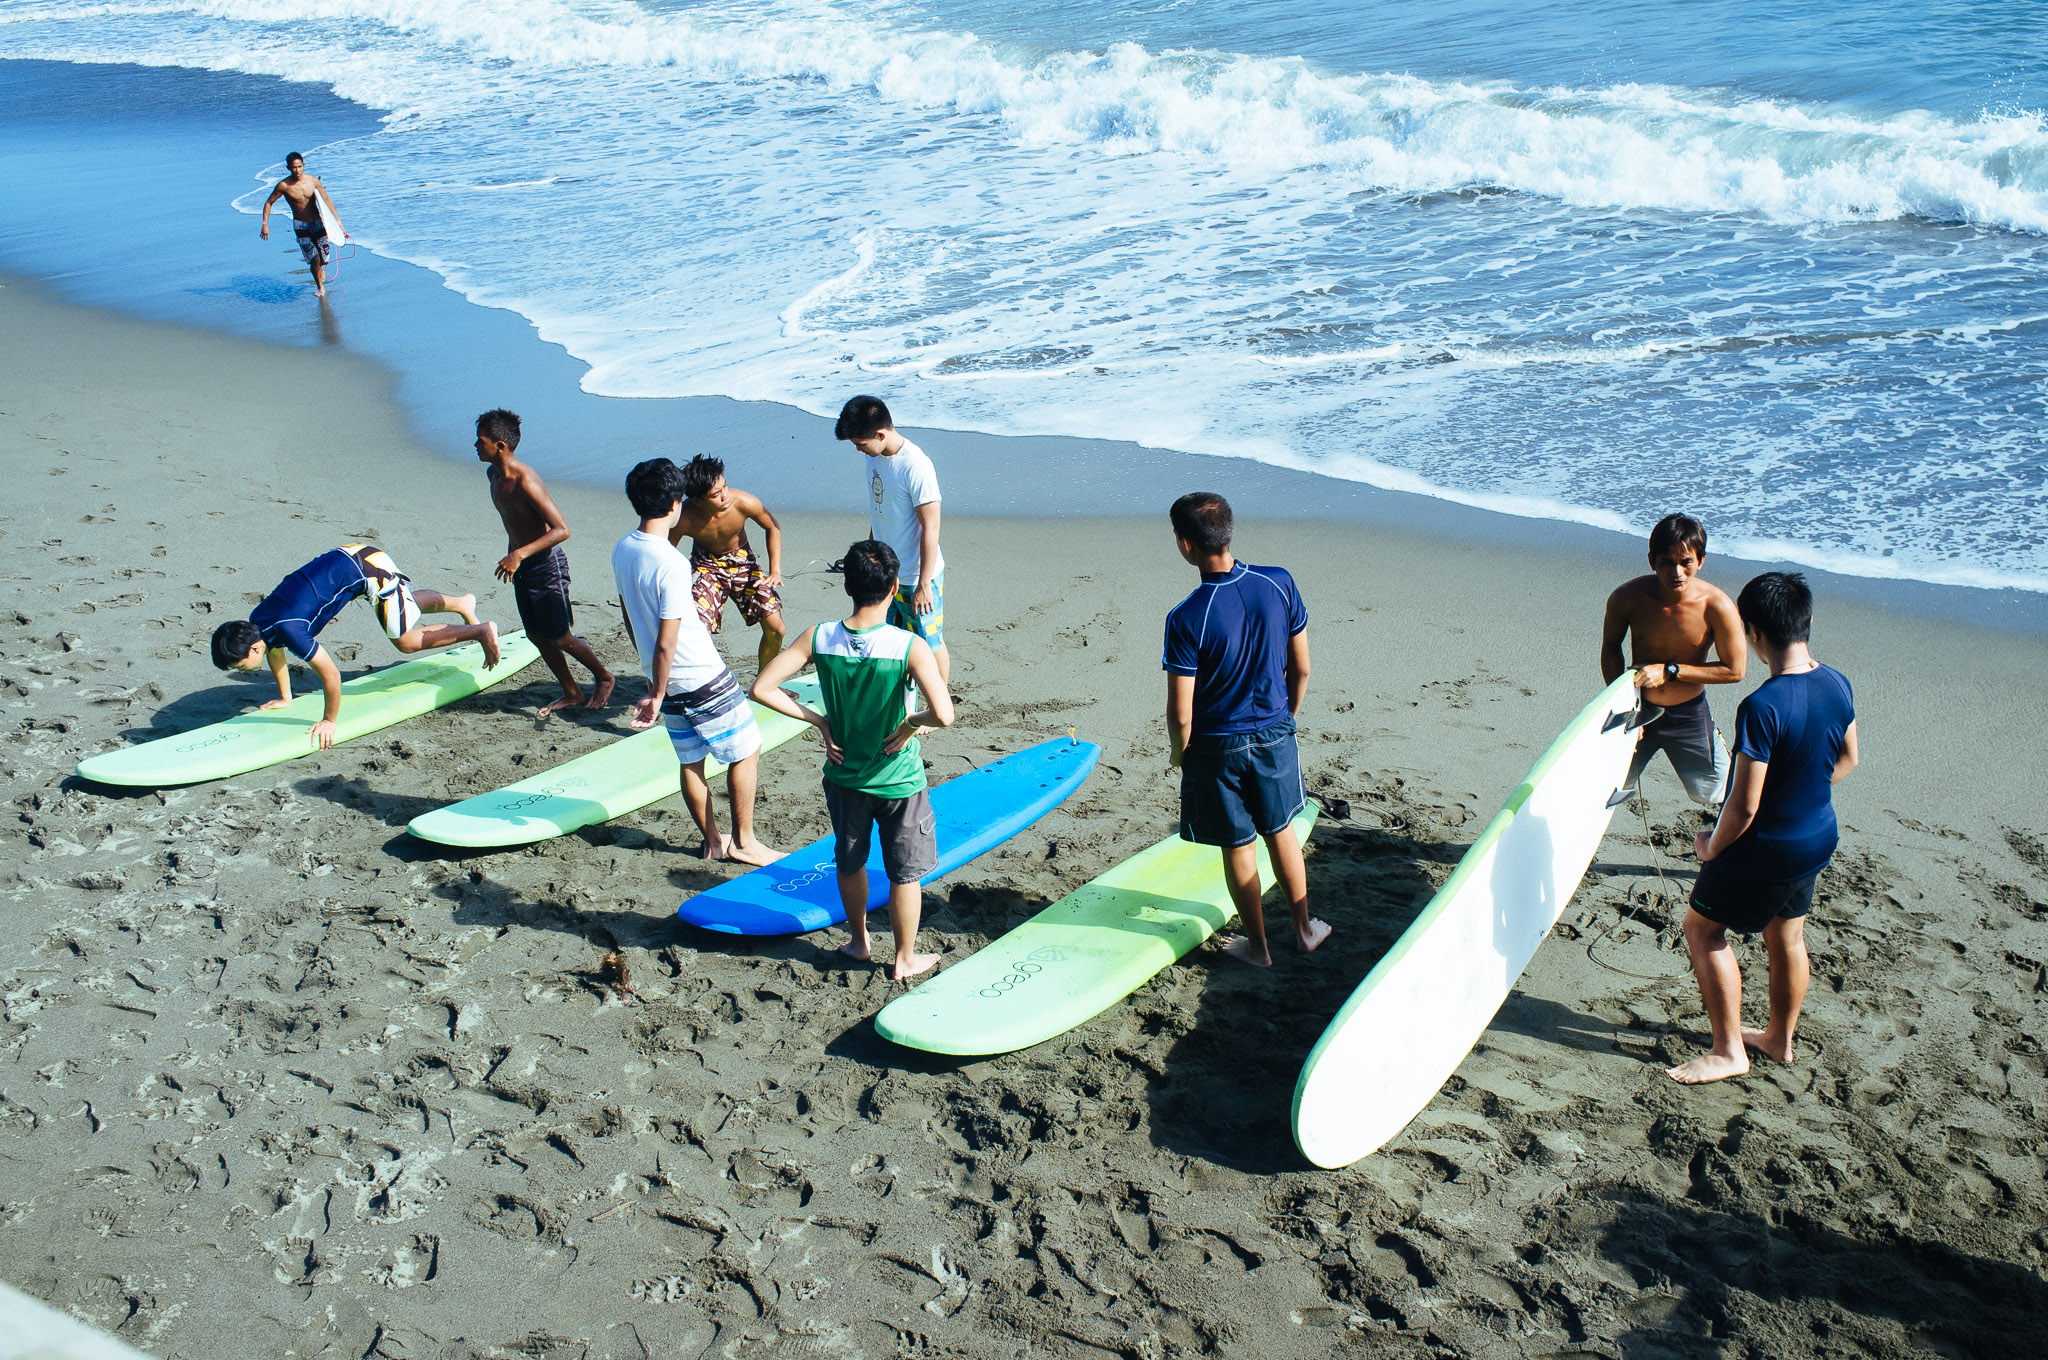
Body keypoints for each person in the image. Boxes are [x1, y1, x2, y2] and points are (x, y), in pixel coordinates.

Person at [1669, 571, 1857, 1085]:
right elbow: (1847, 758)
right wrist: (1799, 797)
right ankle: (1779, 1040)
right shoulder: (1837, 682)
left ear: (1752, 631)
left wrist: (1711, 846)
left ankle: (1730, 1051)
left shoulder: (1762, 707)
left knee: (1702, 929)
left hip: (1765, 849)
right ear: (1807, 621)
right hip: (1817, 837)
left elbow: (1744, 805)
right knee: (1787, 936)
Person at [751, 539, 955, 981]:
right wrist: (908, 725)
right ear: (895, 586)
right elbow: (944, 714)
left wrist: (820, 723)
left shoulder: (819, 637)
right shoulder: (909, 646)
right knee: (905, 874)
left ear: (846, 586)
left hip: (844, 777)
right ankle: (904, 958)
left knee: (850, 861)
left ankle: (860, 942)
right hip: (899, 780)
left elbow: (762, 688)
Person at [1162, 492, 1329, 967]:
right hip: (1276, 729)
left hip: (1217, 746)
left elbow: (1180, 713)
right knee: (1281, 831)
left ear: (1185, 544)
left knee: (1237, 844)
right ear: (1229, 532)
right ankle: (1303, 930)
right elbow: (1302, 668)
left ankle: (1258, 948)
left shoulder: (1186, 616)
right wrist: (1288, 717)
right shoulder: (1278, 583)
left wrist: (1180, 752)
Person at [611, 458, 779, 865]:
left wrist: (653, 682)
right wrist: (657, 689)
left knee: (691, 760)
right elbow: (669, 640)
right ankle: (744, 842)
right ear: (675, 504)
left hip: (664, 678)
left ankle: (712, 841)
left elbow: (628, 614)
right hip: (697, 673)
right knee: (746, 749)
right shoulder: (671, 562)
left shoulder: (623, 548)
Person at [209, 545, 499, 749]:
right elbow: (274, 651)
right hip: (350, 556)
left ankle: (480, 631)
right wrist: (285, 698)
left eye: (240, 666)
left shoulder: (291, 630)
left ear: (252, 649)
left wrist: (328, 720)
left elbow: (331, 675)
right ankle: (462, 603)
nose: (244, 671)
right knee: (398, 603)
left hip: (369, 570)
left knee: (405, 641)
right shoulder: (257, 622)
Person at [1601, 513, 1748, 808]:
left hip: (1688, 714)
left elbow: (1735, 670)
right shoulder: (1627, 597)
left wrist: (1670, 672)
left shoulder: (1717, 606)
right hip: (1639, 709)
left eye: (1686, 562)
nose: (1676, 572)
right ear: (1651, 560)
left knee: (1712, 792)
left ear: (1701, 560)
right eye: (1667, 562)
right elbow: (1610, 647)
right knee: (1609, 784)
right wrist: (1625, 707)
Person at [474, 408, 614, 713]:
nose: (475, 445)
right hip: (522, 566)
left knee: (560, 636)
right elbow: (516, 523)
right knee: (536, 635)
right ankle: (571, 690)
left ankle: (603, 677)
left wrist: (519, 554)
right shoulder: (493, 474)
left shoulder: (526, 481)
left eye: (480, 440)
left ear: (501, 445)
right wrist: (515, 557)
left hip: (546, 566)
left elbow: (562, 529)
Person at [834, 396, 948, 692]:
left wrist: (924, 583)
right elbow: (879, 510)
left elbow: (931, 526)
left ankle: (939, 703)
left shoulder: (916, 465)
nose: (859, 449)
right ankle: (898, 695)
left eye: (861, 443)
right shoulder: (873, 458)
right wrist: (867, 556)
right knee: (892, 638)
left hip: (916, 574)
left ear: (880, 434)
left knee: (929, 640)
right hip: (886, 572)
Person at [671, 454, 787, 674]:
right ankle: (708, 682)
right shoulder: (684, 517)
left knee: (776, 628)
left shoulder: (744, 502)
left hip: (743, 562)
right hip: (706, 566)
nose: (725, 496)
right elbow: (666, 552)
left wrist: (775, 570)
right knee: (698, 631)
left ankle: (765, 682)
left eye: (725, 487)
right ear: (697, 500)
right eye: (716, 494)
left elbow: (772, 527)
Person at [259, 152, 346, 298]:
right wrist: (265, 224)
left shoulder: (313, 182)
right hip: (301, 225)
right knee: (314, 258)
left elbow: (326, 200)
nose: (297, 170)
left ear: (303, 166)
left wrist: (337, 221)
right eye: (294, 167)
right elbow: (269, 202)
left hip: (318, 223)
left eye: (299, 166)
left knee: (324, 256)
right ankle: (320, 287)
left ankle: (320, 267)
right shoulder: (284, 186)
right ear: (288, 168)